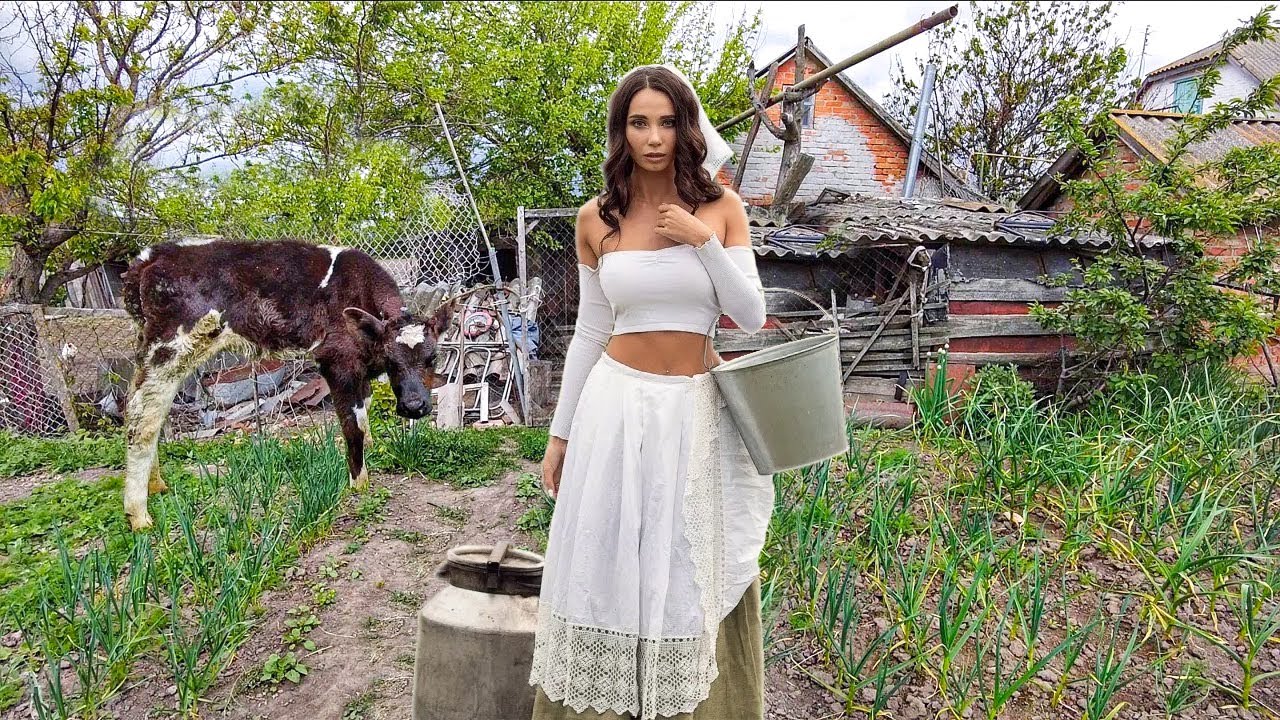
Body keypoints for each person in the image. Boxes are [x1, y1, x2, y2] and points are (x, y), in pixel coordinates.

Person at [528, 64, 775, 720]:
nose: (655, 136)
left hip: (694, 411)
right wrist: (560, 433)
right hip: (616, 409)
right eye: (639, 122)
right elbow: (589, 334)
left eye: (668, 121)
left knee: (689, 561)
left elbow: (750, 314)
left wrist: (703, 243)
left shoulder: (721, 209)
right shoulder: (595, 218)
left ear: (688, 128)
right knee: (612, 554)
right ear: (621, 131)